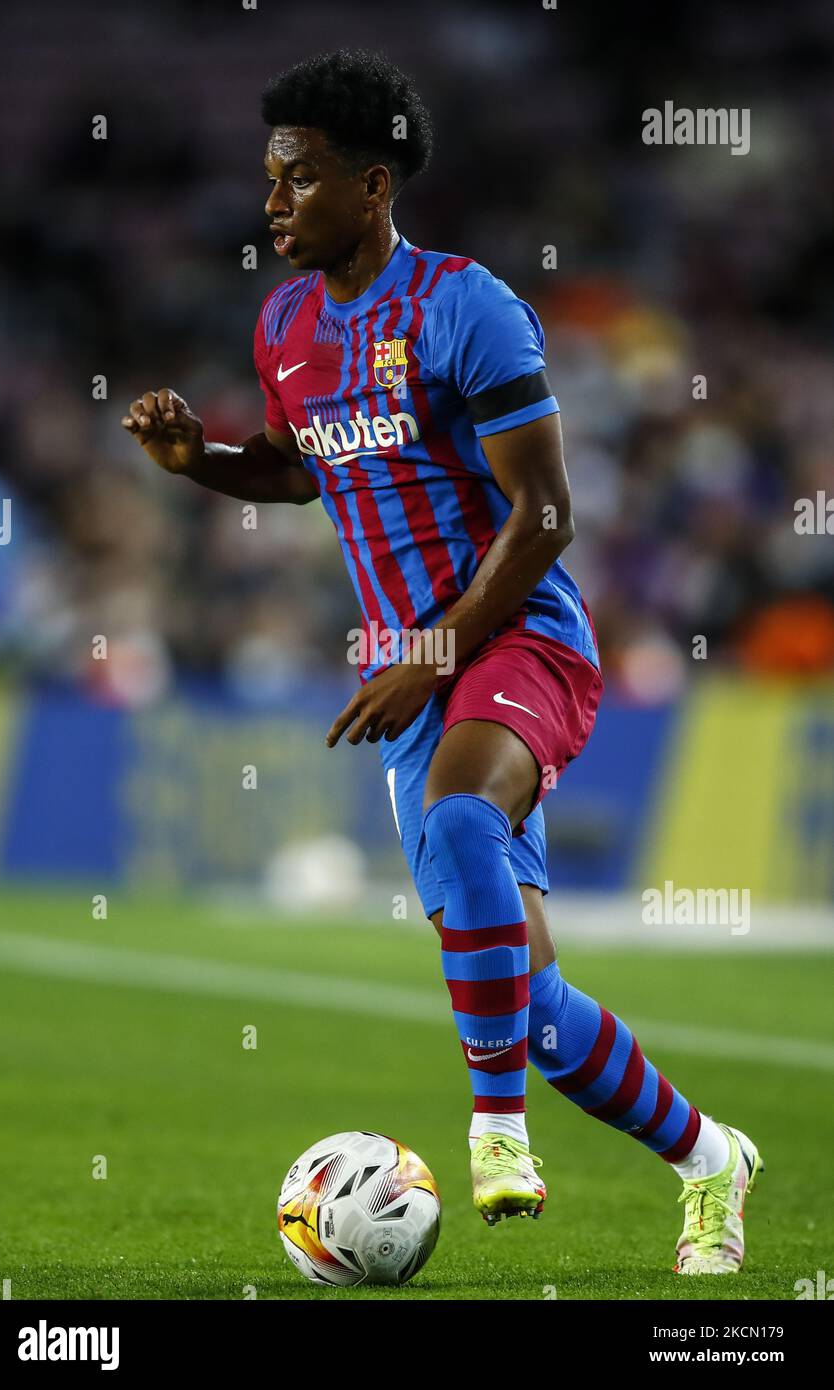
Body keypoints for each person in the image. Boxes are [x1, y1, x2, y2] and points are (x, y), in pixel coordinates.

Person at [122, 48, 762, 1272]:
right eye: (267, 181)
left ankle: (494, 1129)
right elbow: (301, 468)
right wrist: (199, 461)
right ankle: (708, 1159)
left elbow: (545, 519)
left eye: (296, 181)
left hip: (516, 634)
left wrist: (429, 650)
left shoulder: (466, 307)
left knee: (463, 820)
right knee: (532, 1005)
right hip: (404, 674)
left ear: (371, 187)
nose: (271, 206)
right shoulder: (287, 326)